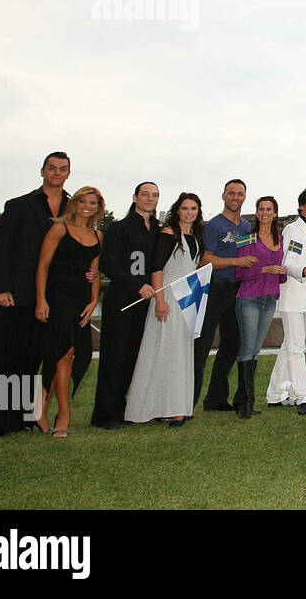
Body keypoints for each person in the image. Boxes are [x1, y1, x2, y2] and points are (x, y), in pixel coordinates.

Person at [0, 151, 71, 440]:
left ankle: (22, 417)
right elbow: (2, 249)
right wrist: (1, 288)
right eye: (52, 168)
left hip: (52, 295)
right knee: (4, 357)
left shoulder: (73, 207)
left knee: (32, 359)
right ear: (43, 171)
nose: (57, 173)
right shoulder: (19, 205)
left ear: (68, 173)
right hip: (17, 293)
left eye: (62, 169)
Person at [126, 192, 204, 426]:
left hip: (188, 298)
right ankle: (154, 406)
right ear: (177, 211)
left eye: (193, 209)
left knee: (180, 353)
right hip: (168, 297)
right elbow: (157, 268)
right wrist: (160, 300)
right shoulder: (169, 234)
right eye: (185, 208)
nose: (189, 212)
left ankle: (178, 405)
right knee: (163, 351)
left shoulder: (196, 236)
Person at [32, 185, 103, 438]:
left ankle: (38, 409)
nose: (87, 206)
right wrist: (41, 299)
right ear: (74, 203)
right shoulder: (58, 229)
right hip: (58, 298)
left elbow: (95, 272)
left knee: (73, 355)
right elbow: (43, 266)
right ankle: (63, 414)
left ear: (99, 207)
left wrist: (94, 299)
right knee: (64, 353)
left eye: (93, 202)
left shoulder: (98, 235)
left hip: (82, 300)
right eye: (83, 200)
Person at [91, 181, 160, 429]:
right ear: (135, 197)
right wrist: (136, 285)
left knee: (132, 357)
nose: (150, 199)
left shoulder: (157, 229)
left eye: (154, 195)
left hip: (146, 304)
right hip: (122, 301)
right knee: (114, 358)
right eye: (145, 194)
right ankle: (105, 414)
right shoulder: (119, 228)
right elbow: (108, 264)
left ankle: (123, 409)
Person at [196, 180, 255, 414]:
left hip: (237, 290)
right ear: (223, 195)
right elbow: (205, 259)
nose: (235, 197)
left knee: (232, 346)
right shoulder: (213, 226)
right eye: (231, 193)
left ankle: (216, 399)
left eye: (240, 194)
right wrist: (235, 262)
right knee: (202, 345)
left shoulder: (247, 227)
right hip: (215, 288)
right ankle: (187, 400)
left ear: (244, 197)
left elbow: (252, 257)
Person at [266, 187, 306, 415]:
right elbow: (288, 262)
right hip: (293, 295)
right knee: (297, 348)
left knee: (288, 346)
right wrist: (305, 271)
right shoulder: (293, 229)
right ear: (301, 205)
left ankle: (274, 394)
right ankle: (303, 397)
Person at [234, 195, 286, 419]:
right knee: (247, 348)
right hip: (249, 297)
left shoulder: (281, 239)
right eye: (261, 209)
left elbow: (282, 270)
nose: (265, 213)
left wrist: (281, 273)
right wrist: (264, 270)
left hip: (269, 299)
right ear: (256, 213)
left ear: (275, 213)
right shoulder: (247, 239)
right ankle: (247, 402)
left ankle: (242, 398)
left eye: (269, 209)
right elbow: (239, 272)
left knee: (256, 348)